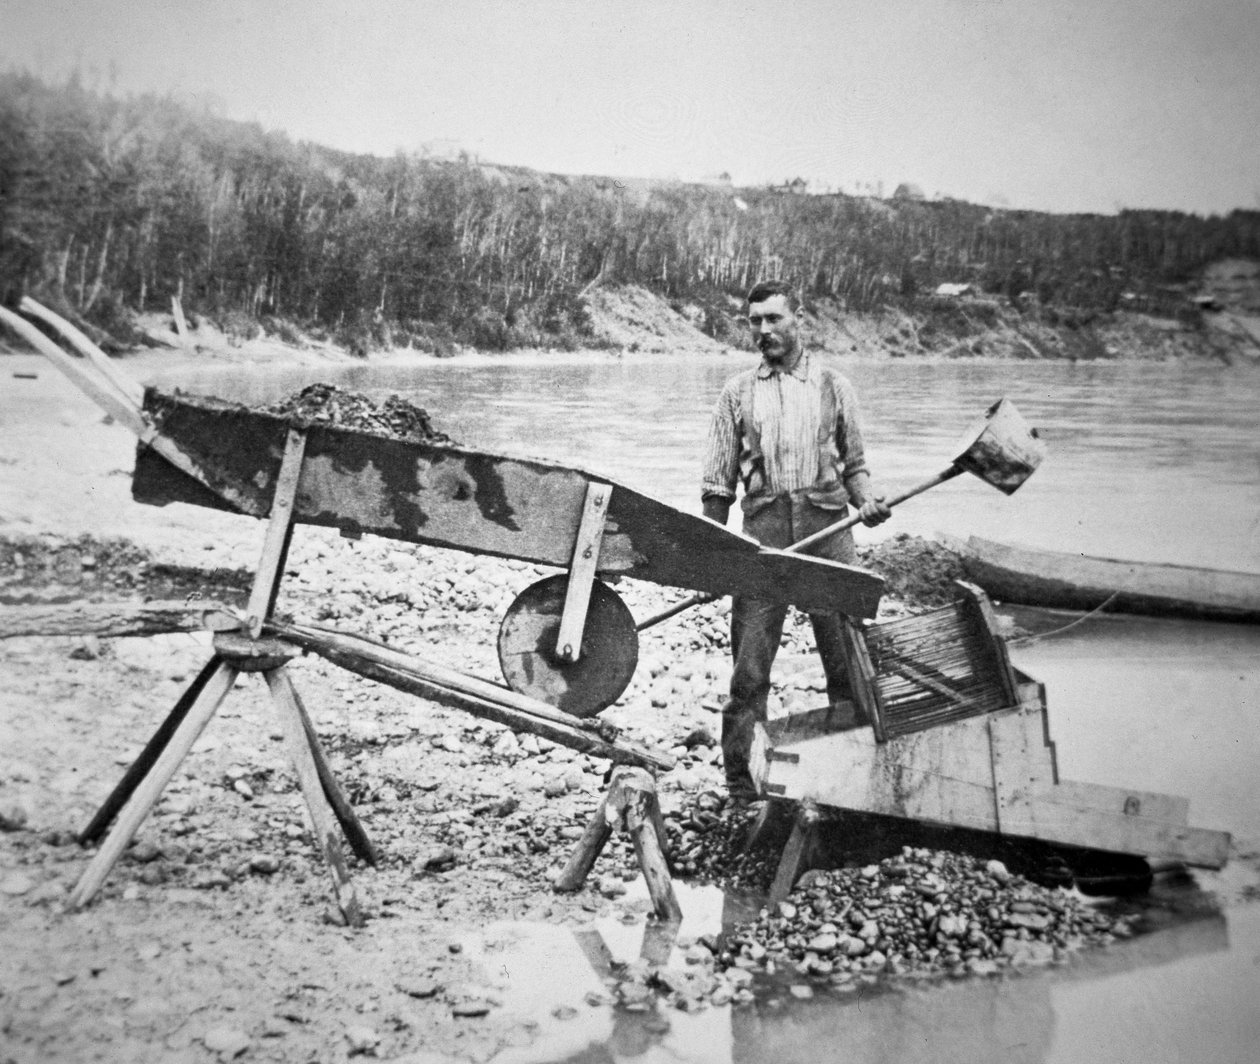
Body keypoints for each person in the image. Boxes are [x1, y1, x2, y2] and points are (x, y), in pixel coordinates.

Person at [701, 279, 890, 806]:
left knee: (847, 665)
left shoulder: (835, 386)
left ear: (798, 318)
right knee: (749, 673)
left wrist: (867, 501)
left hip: (829, 535)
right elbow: (717, 485)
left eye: (774, 318)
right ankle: (742, 787)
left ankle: (856, 779)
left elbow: (855, 467)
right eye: (755, 320)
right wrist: (714, 555)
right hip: (762, 542)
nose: (763, 330)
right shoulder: (736, 393)